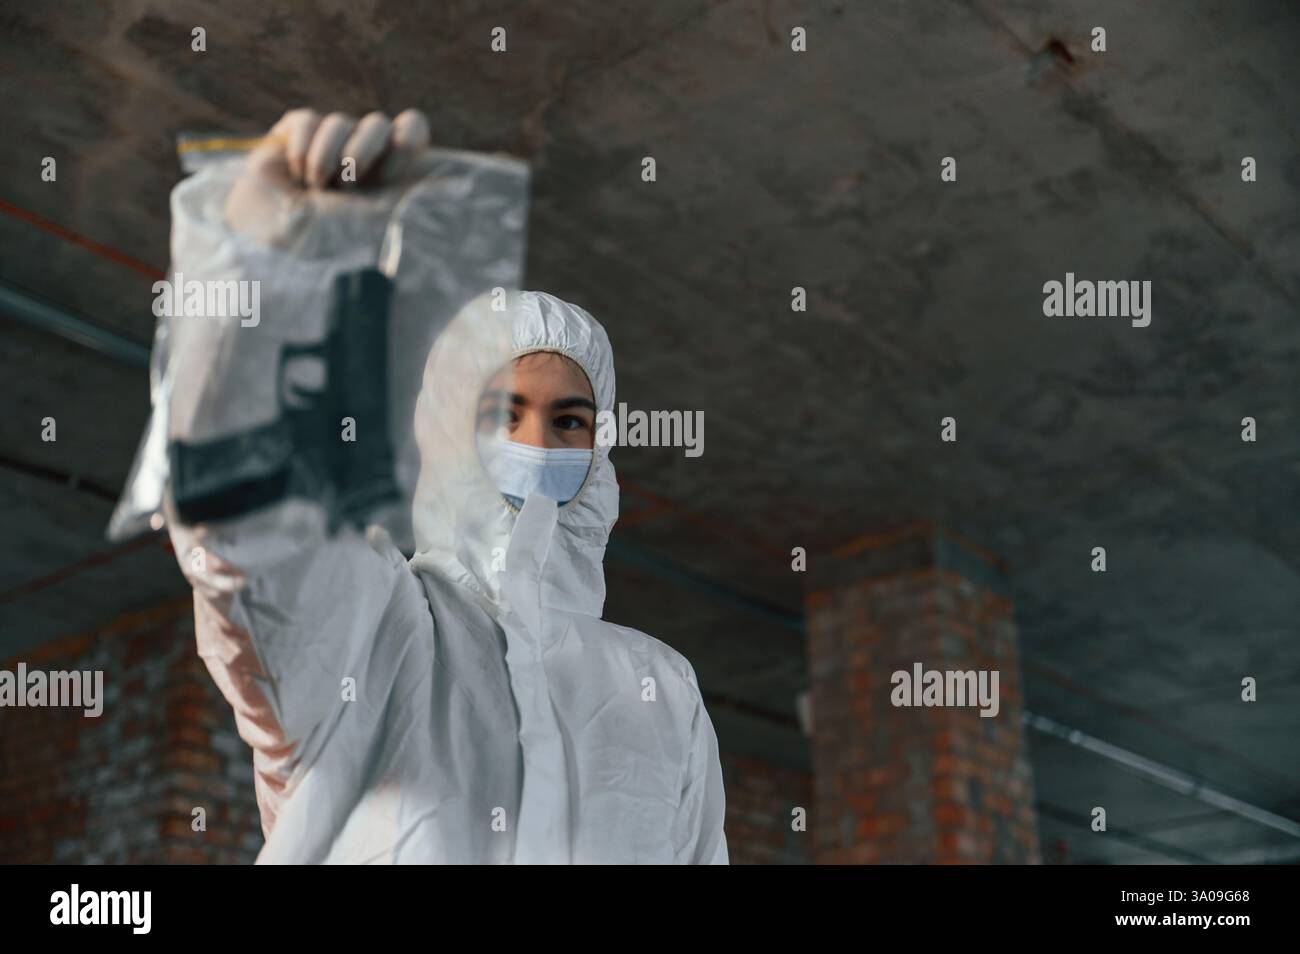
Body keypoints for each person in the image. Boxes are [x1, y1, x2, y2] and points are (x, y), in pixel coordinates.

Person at [164, 108, 729, 864]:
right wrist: (253, 289)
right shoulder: (381, 629)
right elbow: (250, 545)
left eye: (570, 421)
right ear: (448, 433)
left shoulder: (659, 688)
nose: (538, 441)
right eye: (505, 414)